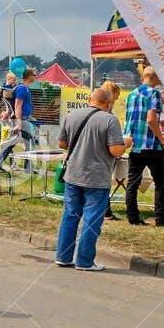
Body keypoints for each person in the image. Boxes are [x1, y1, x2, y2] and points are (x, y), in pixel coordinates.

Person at [54, 84, 127, 271]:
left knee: (70, 215)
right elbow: (115, 150)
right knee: (92, 219)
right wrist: (126, 143)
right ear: (108, 103)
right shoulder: (110, 120)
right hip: (97, 177)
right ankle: (85, 261)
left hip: (73, 175)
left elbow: (62, 143)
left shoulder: (71, 116)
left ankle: (63, 256)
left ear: (90, 100)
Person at [123, 66, 164, 228]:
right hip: (152, 145)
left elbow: (130, 119)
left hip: (135, 145)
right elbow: (151, 120)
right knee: (160, 183)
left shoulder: (131, 95)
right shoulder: (154, 93)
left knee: (132, 183)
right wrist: (163, 140)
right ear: (154, 78)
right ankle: (160, 219)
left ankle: (133, 217)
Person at [0, 70, 37, 172]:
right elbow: (17, 105)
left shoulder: (24, 88)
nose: (36, 76)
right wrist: (19, 123)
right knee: (30, 141)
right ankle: (28, 168)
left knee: (14, 142)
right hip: (21, 120)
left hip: (22, 119)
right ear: (29, 76)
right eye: (34, 75)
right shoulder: (22, 88)